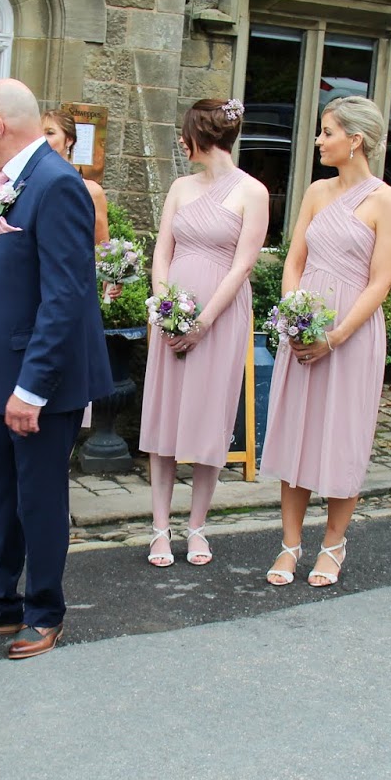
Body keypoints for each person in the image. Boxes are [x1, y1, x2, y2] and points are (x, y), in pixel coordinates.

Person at [0, 79, 110, 660]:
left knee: (38, 498)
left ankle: (42, 609)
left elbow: (65, 296)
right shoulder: (14, 181)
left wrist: (32, 388)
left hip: (37, 381)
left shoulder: (58, 185)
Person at [260, 96, 391, 588]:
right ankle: (289, 544)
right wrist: (295, 319)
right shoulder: (317, 192)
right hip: (305, 329)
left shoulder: (388, 201)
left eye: (327, 132)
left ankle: (334, 544)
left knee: (342, 436)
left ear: (355, 139)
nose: (319, 140)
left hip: (353, 334)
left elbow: (380, 281)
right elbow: (293, 261)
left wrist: (336, 335)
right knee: (297, 433)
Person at [138, 98, 268, 567]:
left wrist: (204, 322)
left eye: (185, 131)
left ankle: (196, 527)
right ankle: (158, 528)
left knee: (209, 419)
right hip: (173, 313)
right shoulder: (179, 187)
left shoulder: (252, 192)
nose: (180, 139)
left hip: (221, 316)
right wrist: (165, 308)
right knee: (164, 420)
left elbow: (244, 264)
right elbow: (162, 251)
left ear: (203, 136)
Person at [42, 108, 110, 247]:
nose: (42, 140)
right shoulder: (26, 184)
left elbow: (102, 247)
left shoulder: (91, 191)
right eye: (39, 134)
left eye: (49, 133)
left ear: (68, 140)